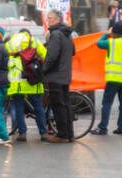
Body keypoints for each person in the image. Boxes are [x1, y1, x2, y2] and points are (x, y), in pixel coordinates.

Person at [93, 21, 122, 135]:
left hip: (113, 78)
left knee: (107, 103)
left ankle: (102, 128)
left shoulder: (111, 43)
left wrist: (106, 33)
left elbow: (99, 43)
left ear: (114, 33)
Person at [6, 28, 48, 141]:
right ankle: (43, 133)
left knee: (19, 107)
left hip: (17, 81)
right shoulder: (35, 41)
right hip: (33, 79)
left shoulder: (12, 42)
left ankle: (22, 133)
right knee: (38, 107)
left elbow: (5, 58)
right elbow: (45, 55)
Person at [41, 11, 75, 143]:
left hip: (55, 75)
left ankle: (62, 135)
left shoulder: (55, 34)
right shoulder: (67, 34)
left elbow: (52, 56)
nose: (47, 21)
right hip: (65, 74)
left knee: (58, 105)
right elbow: (73, 51)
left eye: (49, 18)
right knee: (65, 105)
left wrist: (44, 69)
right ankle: (69, 133)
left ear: (56, 20)